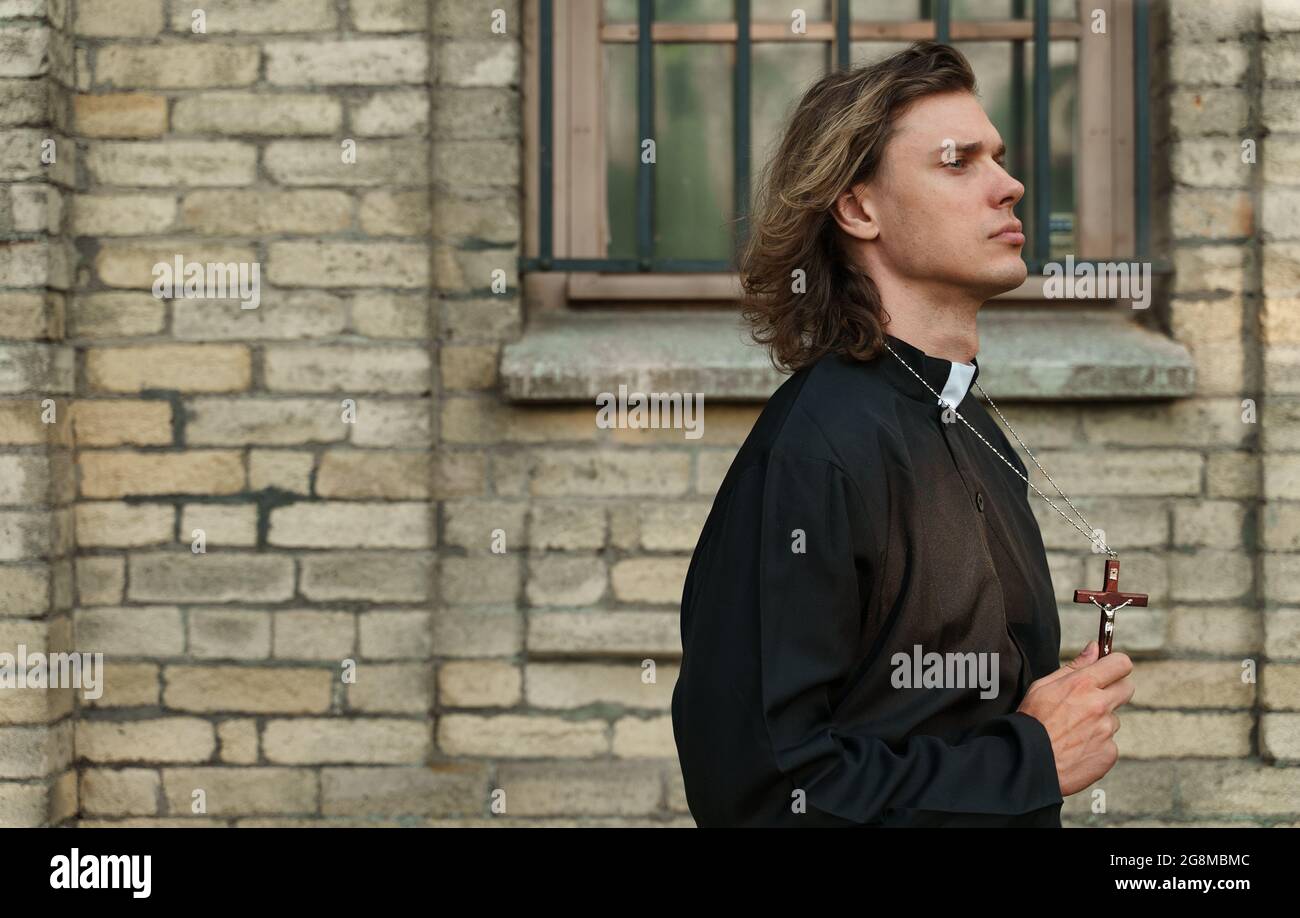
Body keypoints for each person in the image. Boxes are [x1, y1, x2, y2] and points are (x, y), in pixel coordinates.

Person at [671, 41, 1135, 827]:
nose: (1011, 185)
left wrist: (1041, 716)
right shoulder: (816, 449)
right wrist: (1028, 759)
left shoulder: (971, 422)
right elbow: (758, 788)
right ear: (858, 210)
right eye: (959, 163)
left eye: (1000, 158)